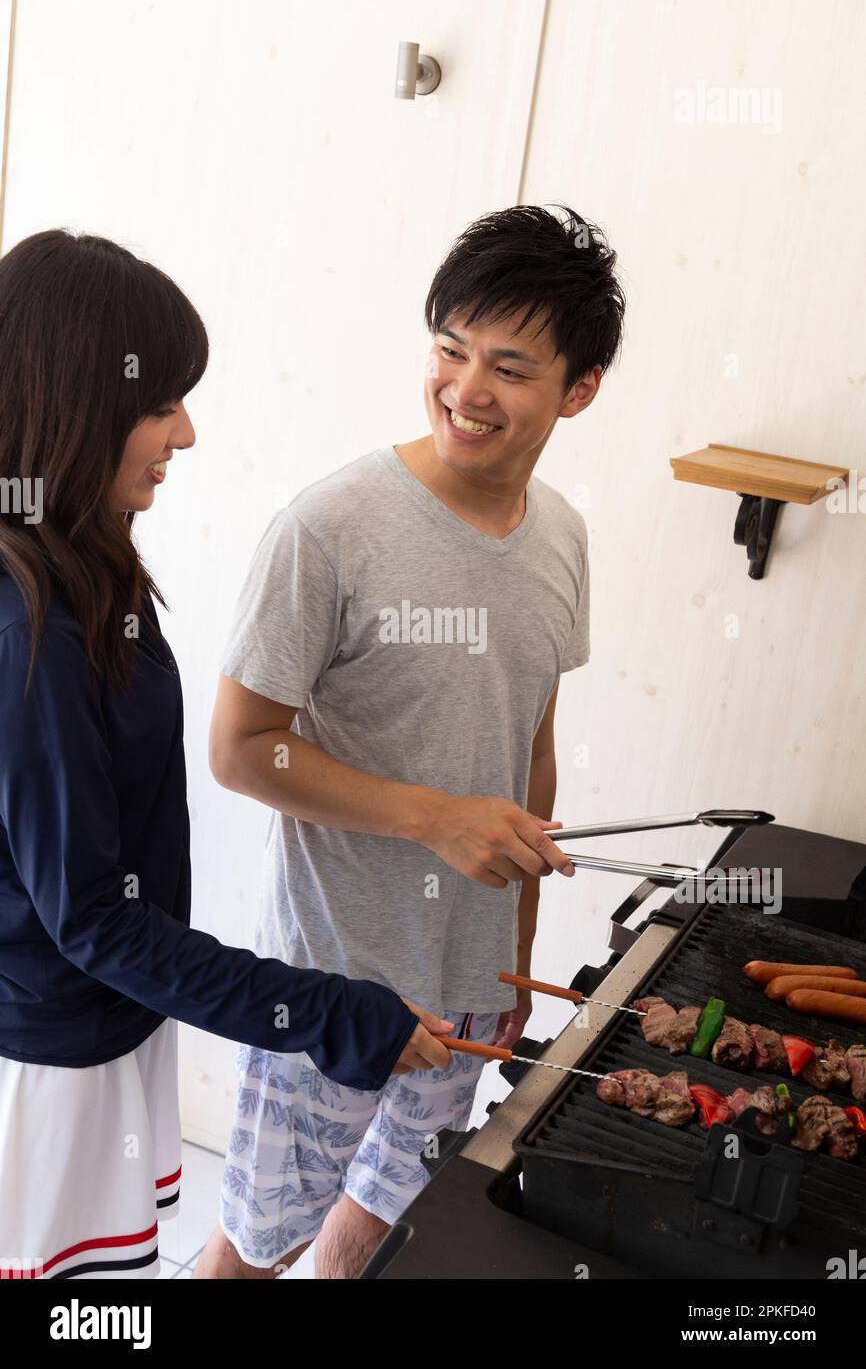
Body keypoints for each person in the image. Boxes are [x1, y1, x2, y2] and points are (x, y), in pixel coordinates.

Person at [0, 229, 451, 1282]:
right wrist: (332, 1011)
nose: (186, 432)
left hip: (106, 1021)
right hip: (52, 1049)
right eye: (158, 403)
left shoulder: (85, 559)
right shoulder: (26, 626)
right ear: (73, 401)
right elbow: (92, 919)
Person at [196, 204, 625, 1279]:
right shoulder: (328, 527)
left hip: (472, 981)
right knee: (260, 1242)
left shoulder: (563, 534)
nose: (464, 390)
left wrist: (516, 957)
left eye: (509, 368)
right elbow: (242, 747)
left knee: (379, 1217)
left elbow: (529, 745)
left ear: (579, 390)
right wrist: (433, 818)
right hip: (335, 975)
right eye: (448, 349)